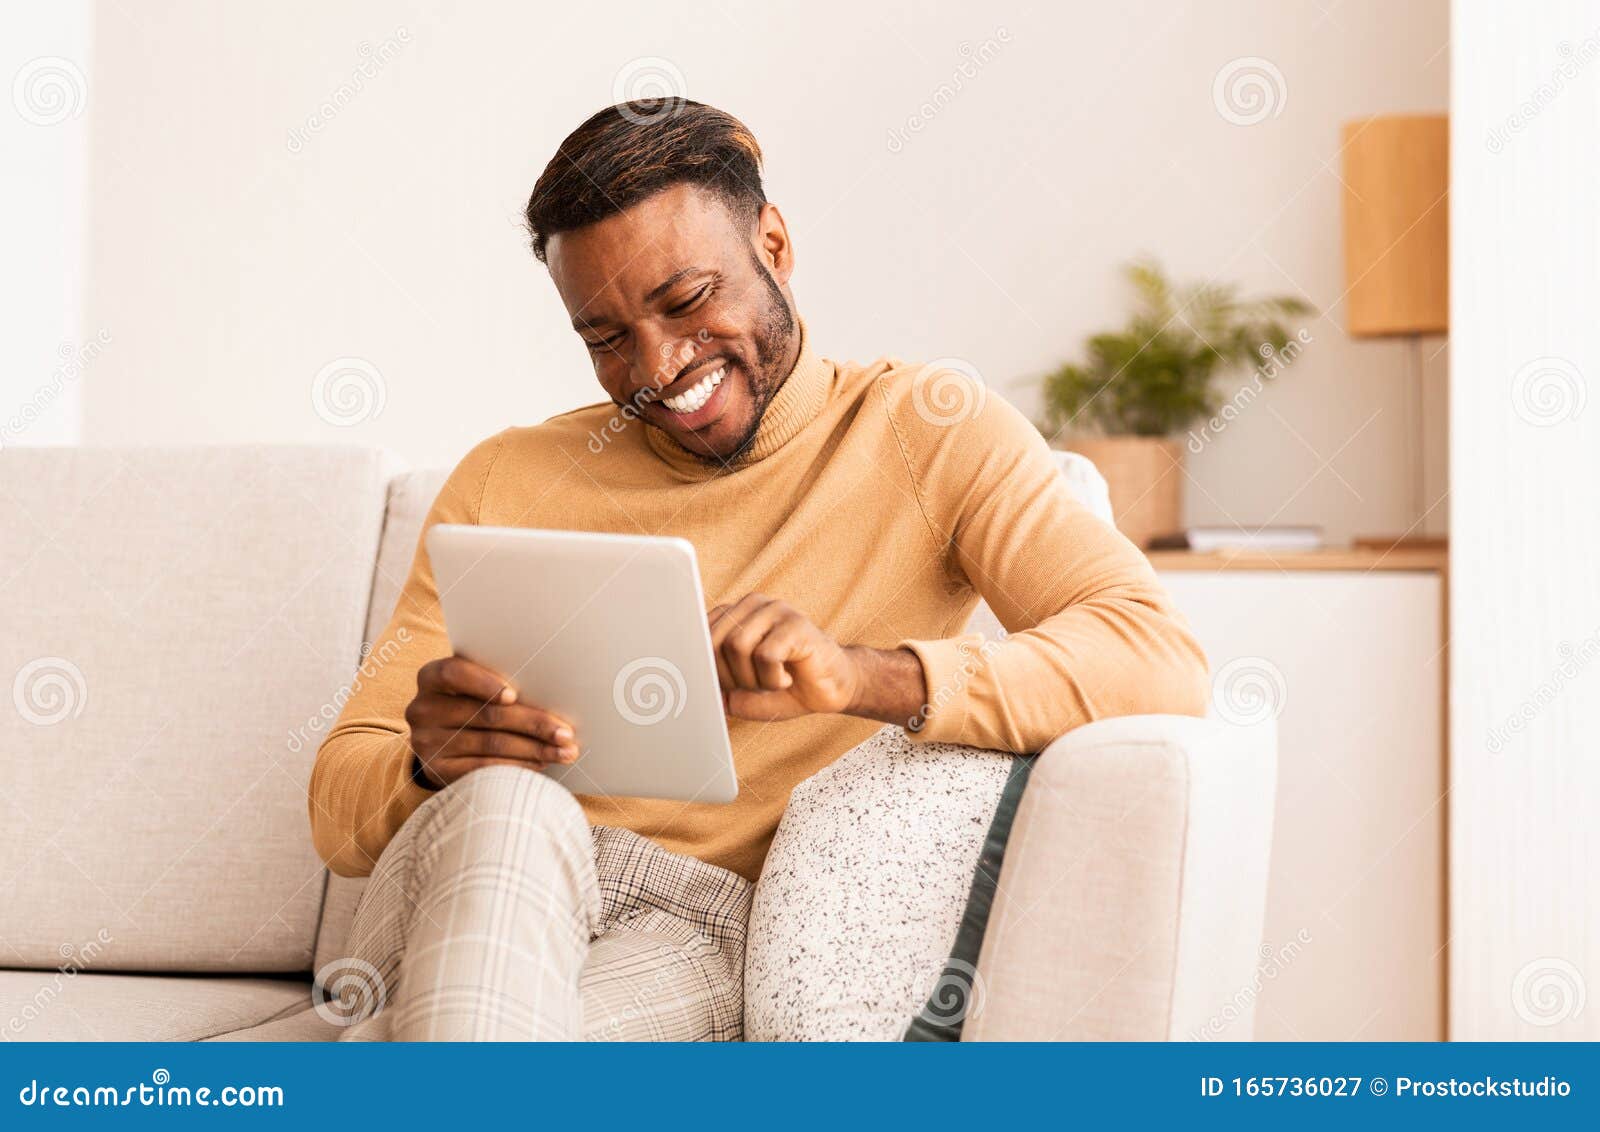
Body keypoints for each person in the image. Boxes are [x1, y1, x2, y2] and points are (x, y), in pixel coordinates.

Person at [308, 99, 1209, 1041]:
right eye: (606, 337)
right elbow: (338, 809)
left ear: (772, 245)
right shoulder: (504, 477)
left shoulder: (929, 429)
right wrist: (424, 764)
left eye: (687, 300)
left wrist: (862, 676)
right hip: (459, 873)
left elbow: (1157, 658)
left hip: (689, 925)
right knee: (506, 800)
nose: (656, 366)